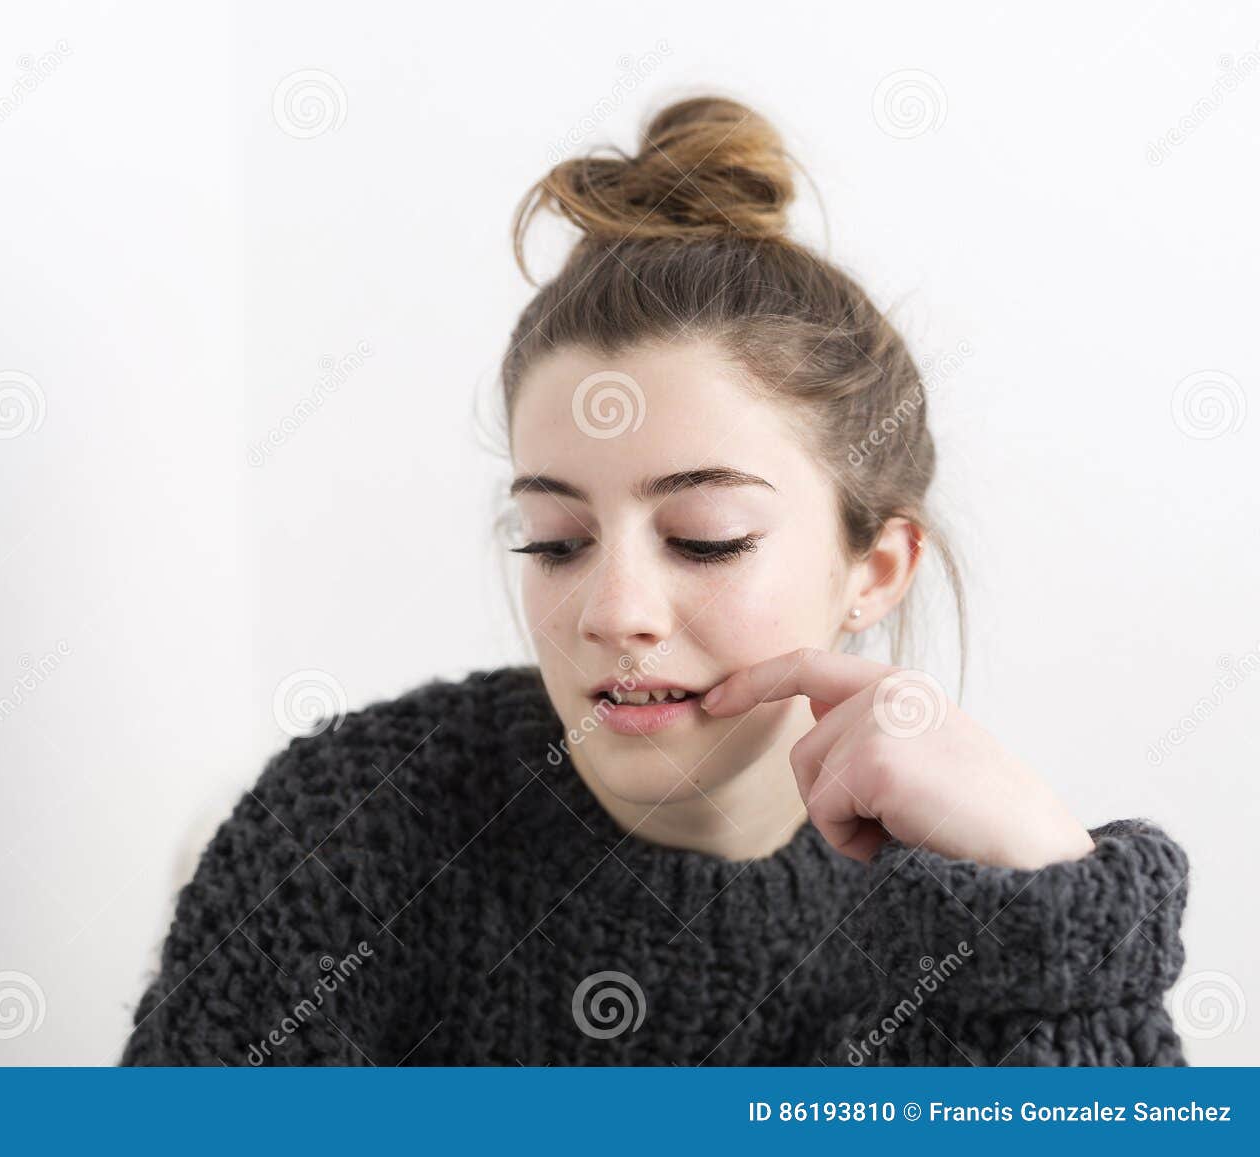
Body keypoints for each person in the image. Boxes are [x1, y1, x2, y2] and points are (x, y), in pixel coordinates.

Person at [120, 94, 1190, 1067]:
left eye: (706, 537)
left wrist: (1053, 895)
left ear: (874, 568)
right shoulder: (350, 829)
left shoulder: (968, 933)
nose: (613, 611)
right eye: (555, 539)